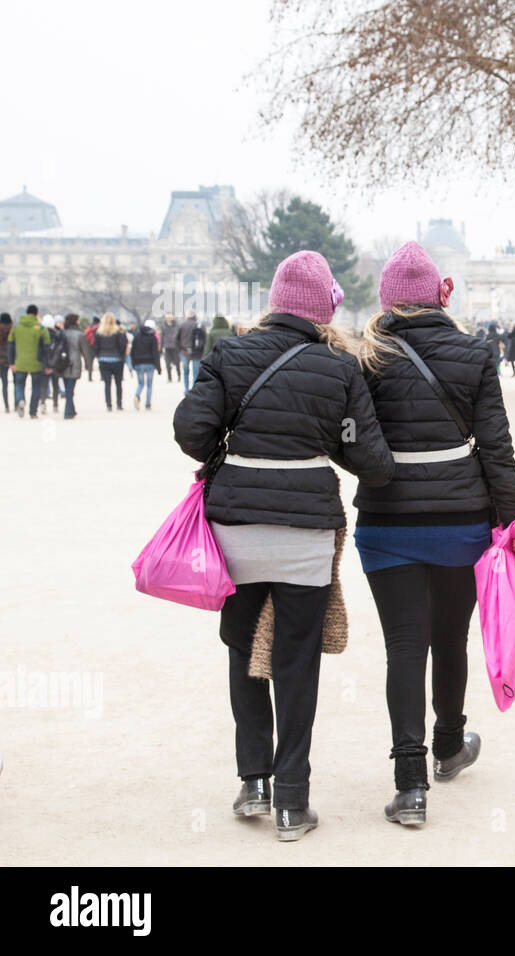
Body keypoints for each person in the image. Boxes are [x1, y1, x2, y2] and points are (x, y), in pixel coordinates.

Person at [173, 250, 394, 842]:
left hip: (237, 528)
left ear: (274, 301)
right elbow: (372, 463)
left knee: (244, 650)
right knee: (296, 660)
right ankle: (293, 802)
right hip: (305, 533)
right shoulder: (341, 369)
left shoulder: (229, 354)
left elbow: (191, 432)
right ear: (324, 311)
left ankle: (253, 780)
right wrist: (325, 439)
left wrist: (232, 448)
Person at [354, 242, 515, 826]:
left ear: (386, 300)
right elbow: (497, 448)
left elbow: (352, 442)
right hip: (460, 519)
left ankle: (410, 785)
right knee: (450, 637)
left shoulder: (366, 358)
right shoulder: (474, 354)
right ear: (440, 294)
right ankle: (449, 746)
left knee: (404, 645)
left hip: (386, 518)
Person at [10, 305, 50, 418]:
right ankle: (33, 411)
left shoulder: (17, 327)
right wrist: (47, 363)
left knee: (19, 384)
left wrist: (12, 362)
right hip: (36, 363)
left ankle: (20, 399)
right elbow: (47, 347)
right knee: (36, 386)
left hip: (20, 362)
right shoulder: (41, 328)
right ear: (36, 314)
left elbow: (10, 344)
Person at [59, 314, 92, 419]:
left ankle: (71, 410)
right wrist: (88, 364)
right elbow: (85, 351)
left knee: (68, 388)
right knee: (70, 389)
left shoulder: (62, 333)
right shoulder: (80, 335)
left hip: (62, 362)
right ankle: (68, 411)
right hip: (75, 363)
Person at [94, 313, 128, 411]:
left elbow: (95, 347)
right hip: (116, 359)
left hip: (103, 359)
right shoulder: (117, 332)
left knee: (107, 384)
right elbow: (122, 345)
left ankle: (109, 404)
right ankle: (119, 403)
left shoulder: (99, 332)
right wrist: (121, 356)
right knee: (118, 383)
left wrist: (98, 356)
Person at [131, 319, 161, 410]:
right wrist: (158, 367)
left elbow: (133, 351)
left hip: (138, 362)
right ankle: (148, 404)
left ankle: (137, 395)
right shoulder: (153, 337)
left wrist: (133, 363)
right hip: (150, 363)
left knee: (140, 383)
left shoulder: (136, 336)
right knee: (149, 385)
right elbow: (155, 353)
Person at [178, 313, 205, 392]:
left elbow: (176, 338)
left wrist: (180, 349)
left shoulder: (182, 325)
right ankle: (194, 389)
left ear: (187, 316)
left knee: (186, 371)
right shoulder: (200, 325)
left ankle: (186, 389)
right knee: (196, 372)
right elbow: (205, 338)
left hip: (185, 351)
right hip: (197, 352)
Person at [42, 315, 62, 414]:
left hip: (44, 364)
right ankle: (55, 405)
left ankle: (43, 404)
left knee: (44, 385)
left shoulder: (41, 334)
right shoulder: (57, 335)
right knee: (55, 385)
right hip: (55, 363)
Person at [161, 313, 181, 381]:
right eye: (167, 318)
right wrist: (161, 346)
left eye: (170, 317)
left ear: (172, 318)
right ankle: (169, 377)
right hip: (167, 347)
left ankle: (179, 376)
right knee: (167, 363)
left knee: (177, 363)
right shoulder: (163, 326)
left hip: (175, 346)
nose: (168, 319)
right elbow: (162, 336)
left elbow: (180, 336)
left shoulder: (177, 325)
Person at [0, 313, 10, 413]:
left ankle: (6, 405)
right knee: (8, 383)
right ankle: (12, 404)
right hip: (9, 359)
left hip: (0, 359)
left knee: (4, 383)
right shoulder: (12, 329)